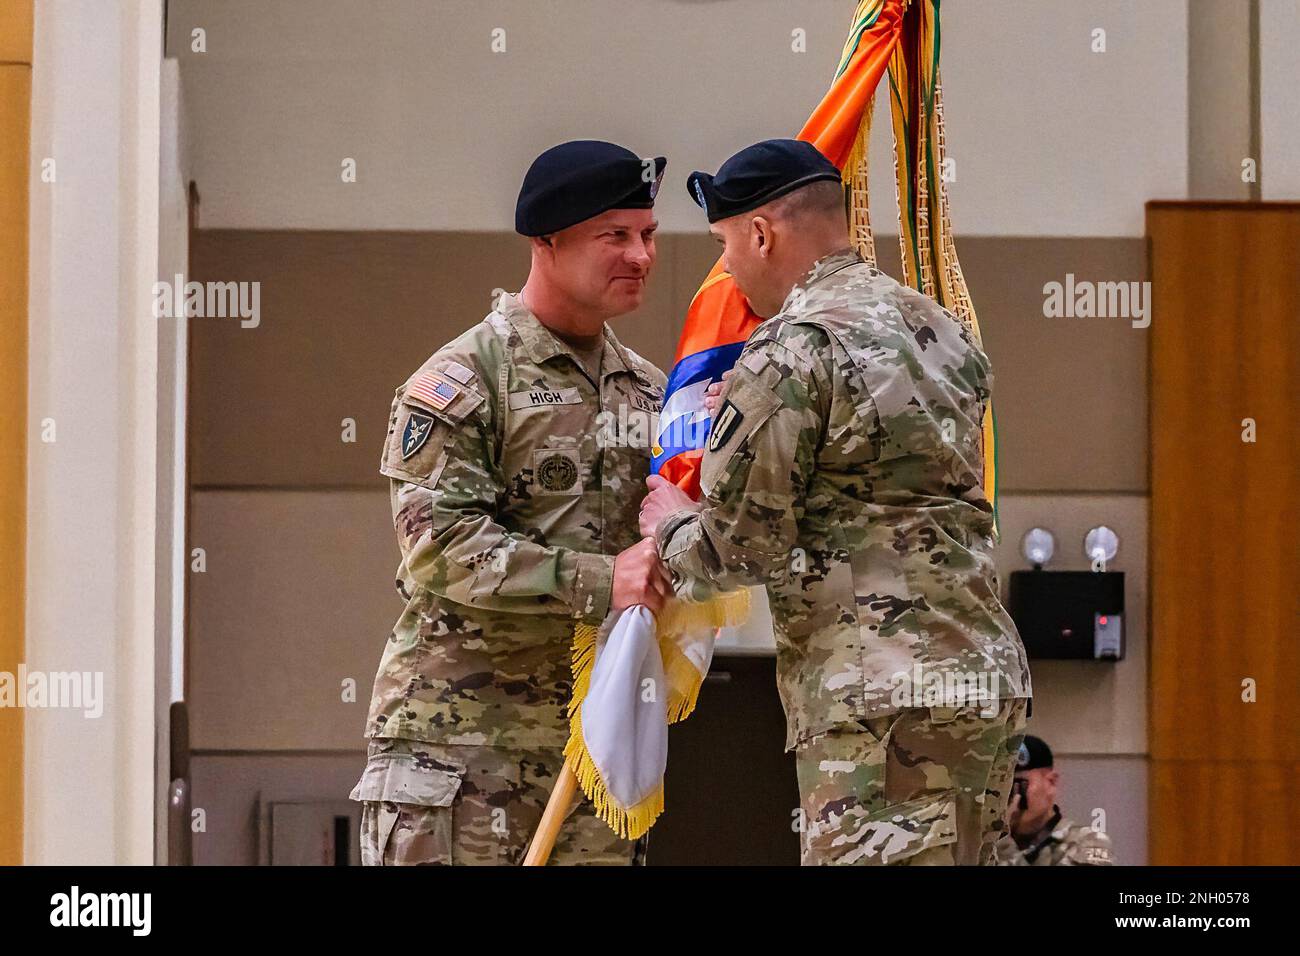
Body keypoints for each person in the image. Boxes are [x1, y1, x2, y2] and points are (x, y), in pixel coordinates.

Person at [640, 138, 1031, 865]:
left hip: (875, 696)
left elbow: (739, 547)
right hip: (983, 680)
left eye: (726, 245)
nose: (727, 268)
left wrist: (669, 527)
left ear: (761, 233)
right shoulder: (941, 330)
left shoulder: (790, 350)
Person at [351, 140, 672, 865]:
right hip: (460, 752)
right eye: (614, 235)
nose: (641, 255)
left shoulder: (653, 395)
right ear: (547, 241)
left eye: (648, 235)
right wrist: (601, 580)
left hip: (591, 752)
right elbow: (438, 550)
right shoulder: (466, 381)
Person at [995, 735, 1114, 865]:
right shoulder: (983, 844)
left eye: (1019, 784)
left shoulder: (1086, 842)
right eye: (1002, 786)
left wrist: (1003, 840)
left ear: (1051, 782)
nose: (1010, 796)